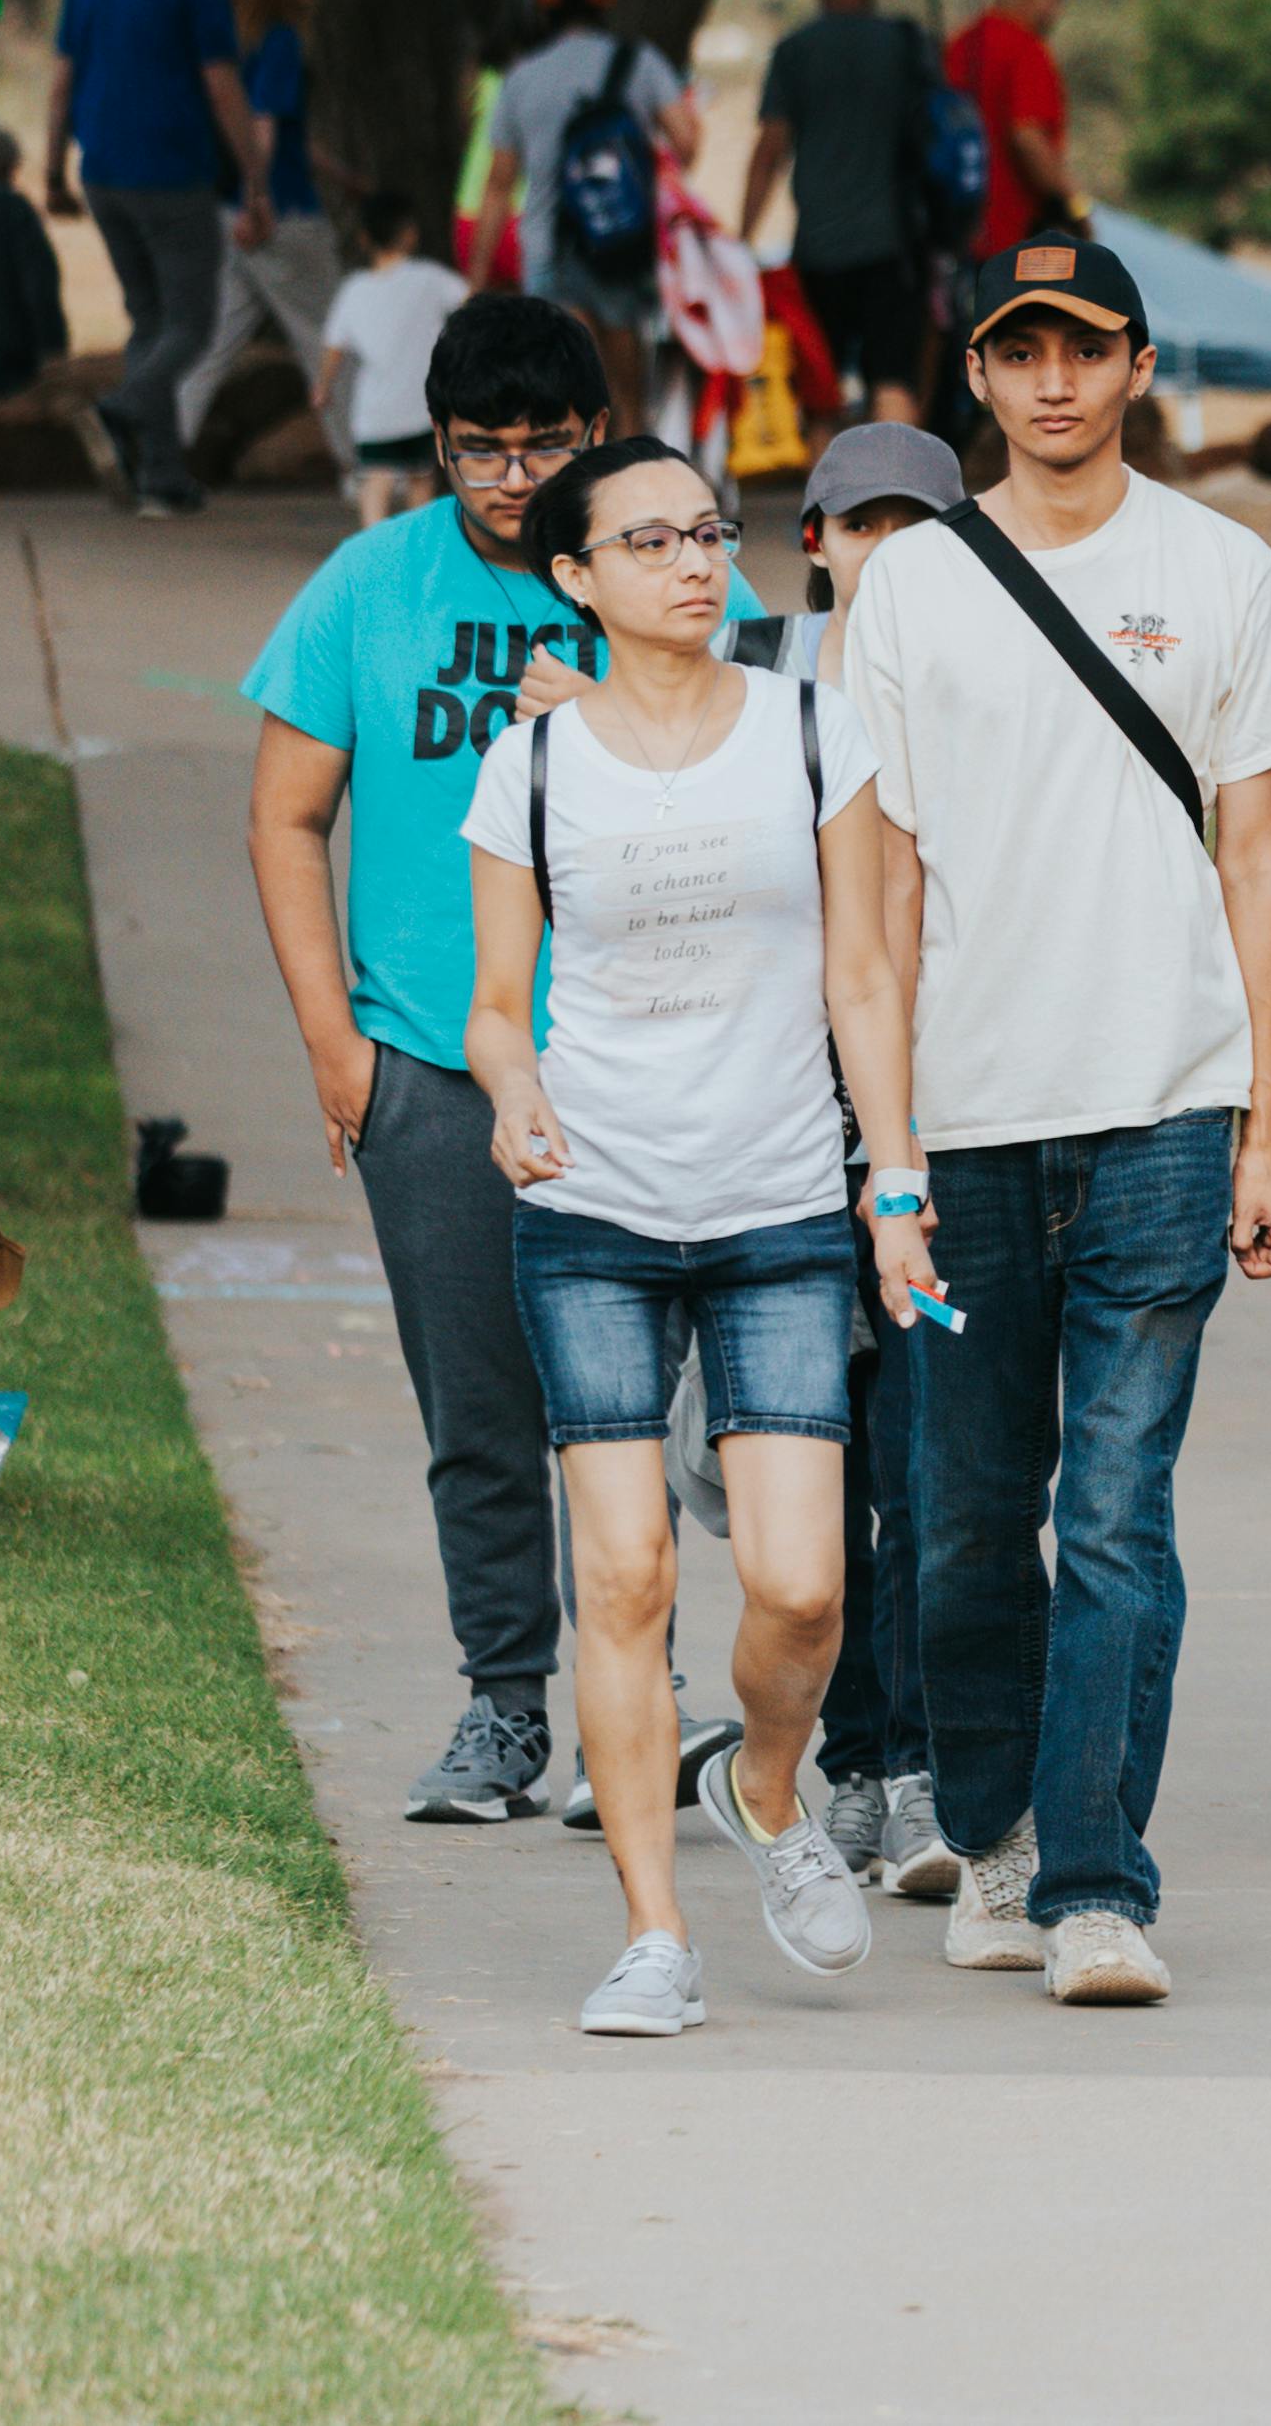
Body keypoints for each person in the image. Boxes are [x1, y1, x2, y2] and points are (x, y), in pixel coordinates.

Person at [833, 229, 1271, 2007]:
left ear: (1138, 366)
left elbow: (1255, 860)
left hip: (1164, 1107)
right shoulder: (908, 587)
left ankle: (1100, 1882)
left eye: (1086, 347)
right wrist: (889, 1158)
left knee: (1117, 1511)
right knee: (968, 1515)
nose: (1053, 379)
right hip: (965, 1122)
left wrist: (1260, 1128)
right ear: (975, 372)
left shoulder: (1224, 570)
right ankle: (997, 1832)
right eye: (1019, 349)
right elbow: (877, 901)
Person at [242, 293, 765, 1825]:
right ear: (437, 441)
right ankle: (503, 1706)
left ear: (599, 434)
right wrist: (335, 1043)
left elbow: (760, 797)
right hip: (431, 1059)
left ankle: (638, 1706)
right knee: (475, 1406)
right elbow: (285, 814)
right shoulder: (369, 585)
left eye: (545, 443)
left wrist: (606, 712)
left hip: (643, 1060)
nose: (513, 475)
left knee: (627, 1412)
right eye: (480, 447)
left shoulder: (666, 569)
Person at [456, 438, 884, 2032]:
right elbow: (496, 1006)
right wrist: (512, 1090)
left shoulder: (810, 728)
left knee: (802, 1585)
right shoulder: (532, 768)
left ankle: (764, 1785)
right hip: (593, 1210)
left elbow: (863, 973)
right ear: (575, 575)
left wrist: (896, 1174)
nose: (696, 560)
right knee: (625, 1574)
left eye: (709, 531)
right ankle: (655, 1934)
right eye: (649, 541)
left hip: (778, 1204)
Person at [745, 425, 964, 1899]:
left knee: (931, 1463)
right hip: (775, 1142)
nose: (887, 548)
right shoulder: (747, 679)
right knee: (812, 1480)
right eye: (860, 520)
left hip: (942, 1137)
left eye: (917, 523)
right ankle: (859, 1759)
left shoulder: (982, 684)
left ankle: (925, 1761)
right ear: (814, 538)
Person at [46, 0, 259, 515]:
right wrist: (254, 178)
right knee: (192, 325)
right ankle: (120, 409)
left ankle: (161, 477)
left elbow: (62, 81)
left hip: (103, 172)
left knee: (150, 321)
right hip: (171, 171)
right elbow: (220, 84)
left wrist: (52, 169)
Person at [475, 0, 699, 424]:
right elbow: (686, 143)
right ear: (599, 4)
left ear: (543, 11)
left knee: (568, 399)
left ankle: (577, 468)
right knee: (627, 398)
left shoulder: (521, 79)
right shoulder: (639, 62)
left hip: (549, 252)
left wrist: (476, 277)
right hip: (621, 245)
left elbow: (498, 187)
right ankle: (632, 459)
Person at [740, 0, 940, 425]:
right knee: (892, 380)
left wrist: (742, 240)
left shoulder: (795, 51)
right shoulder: (905, 44)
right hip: (895, 245)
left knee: (820, 391)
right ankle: (898, 476)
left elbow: (769, 151)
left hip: (818, 248)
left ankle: (823, 478)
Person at [182, 0, 341, 458]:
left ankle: (149, 449)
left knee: (211, 344)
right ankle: (368, 467)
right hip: (281, 212)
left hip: (229, 212)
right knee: (331, 340)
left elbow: (284, 137)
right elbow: (265, 128)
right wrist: (260, 198)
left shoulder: (233, 46)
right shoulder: (279, 40)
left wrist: (347, 180)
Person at [320, 198, 471, 527]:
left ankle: (373, 544)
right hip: (421, 408)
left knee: (376, 481)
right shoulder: (430, 278)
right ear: (409, 234)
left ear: (363, 238)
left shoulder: (354, 289)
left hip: (375, 412)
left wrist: (323, 387)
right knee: (421, 479)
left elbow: (334, 346)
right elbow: (469, 302)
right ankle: (418, 545)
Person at [938, 0, 1074, 258]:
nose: (1056, 8)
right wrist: (1074, 206)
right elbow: (1027, 137)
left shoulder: (959, 45)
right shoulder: (1027, 50)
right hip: (1015, 240)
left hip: (960, 232)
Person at [0, 126, 74, 405]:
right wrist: (53, 348)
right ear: (10, 167)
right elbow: (39, 286)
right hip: (8, 359)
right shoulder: (14, 210)